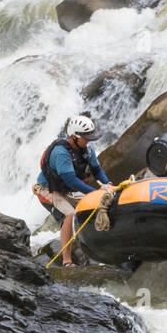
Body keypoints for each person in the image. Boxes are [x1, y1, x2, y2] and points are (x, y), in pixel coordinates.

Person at [35, 114, 110, 267]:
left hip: (66, 188)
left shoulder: (87, 147)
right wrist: (93, 192)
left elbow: (96, 170)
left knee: (96, 205)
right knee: (69, 215)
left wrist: (107, 185)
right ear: (74, 136)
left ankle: (99, 247)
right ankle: (67, 260)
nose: (89, 140)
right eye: (86, 137)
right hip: (48, 189)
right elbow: (71, 180)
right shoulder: (61, 153)